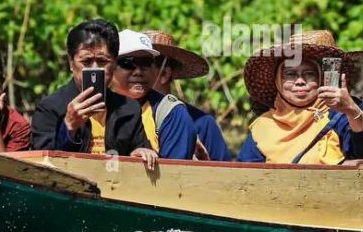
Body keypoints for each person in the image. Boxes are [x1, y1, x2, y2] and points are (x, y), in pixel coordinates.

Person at [236, 30, 363, 164]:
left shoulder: (340, 114)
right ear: (277, 82)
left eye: (309, 74)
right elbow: (244, 176)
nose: (300, 81)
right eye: (290, 74)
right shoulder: (264, 125)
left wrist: (351, 110)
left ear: (321, 79)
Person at [29, 18, 158, 169]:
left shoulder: (129, 108)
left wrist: (141, 153)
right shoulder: (50, 108)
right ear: (71, 63)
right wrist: (69, 127)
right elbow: (41, 166)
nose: (94, 68)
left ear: (115, 63)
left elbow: (140, 149)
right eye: (86, 61)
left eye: (103, 61)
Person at [144, 29, 232, 161]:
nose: (135, 72)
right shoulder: (124, 113)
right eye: (129, 64)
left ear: (164, 74)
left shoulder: (203, 124)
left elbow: (227, 176)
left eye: (143, 65)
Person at [110, 29, 199, 161]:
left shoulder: (171, 113)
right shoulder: (90, 107)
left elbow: (175, 176)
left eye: (145, 63)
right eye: (128, 63)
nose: (139, 71)